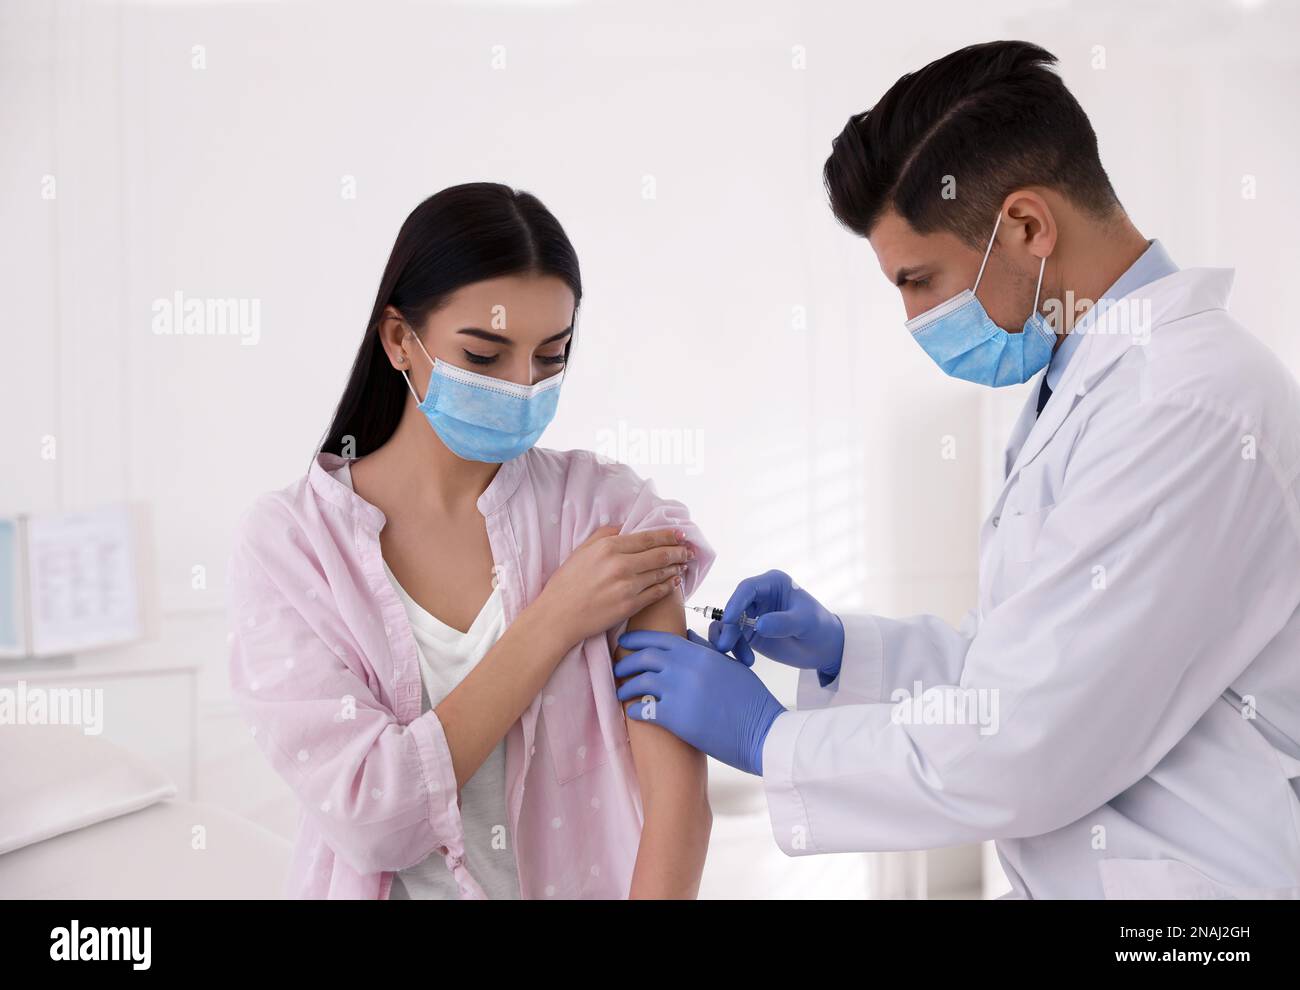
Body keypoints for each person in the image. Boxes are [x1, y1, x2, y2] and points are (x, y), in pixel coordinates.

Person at [611, 41, 1300, 898]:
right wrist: (843, 654)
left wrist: (768, 741)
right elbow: (1023, 668)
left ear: (1026, 226)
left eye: (920, 279)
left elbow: (1028, 744)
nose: (914, 318)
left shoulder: (1185, 406)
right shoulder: (1094, 381)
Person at [226, 183, 716, 899]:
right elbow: (375, 818)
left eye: (551, 357)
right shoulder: (292, 548)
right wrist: (553, 621)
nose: (522, 385)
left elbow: (678, 804)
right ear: (400, 340)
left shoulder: (610, 516)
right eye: (485, 356)